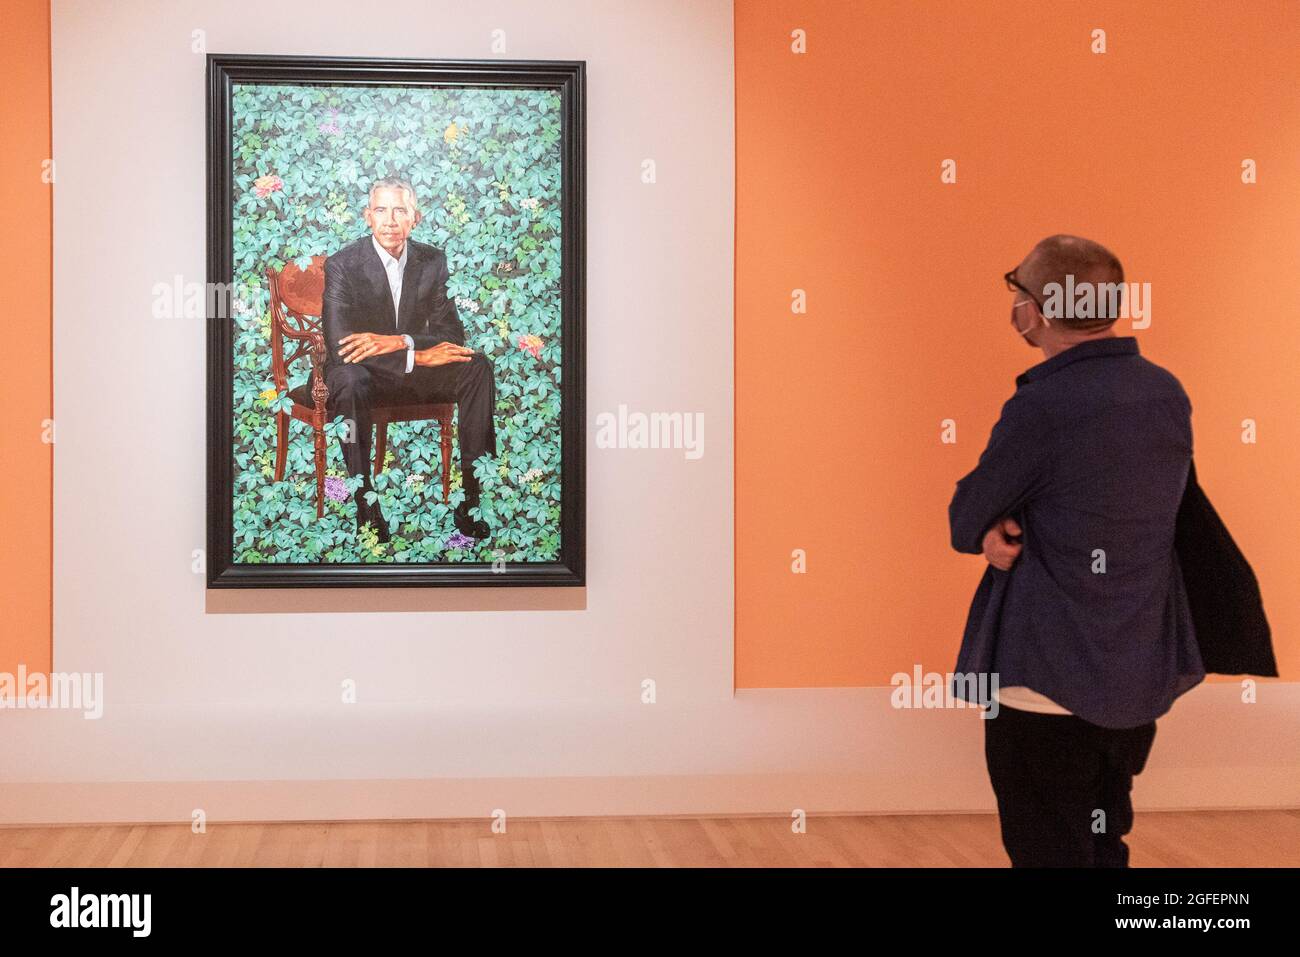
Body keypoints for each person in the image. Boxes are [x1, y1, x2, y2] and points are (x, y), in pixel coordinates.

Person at [947, 235, 1205, 867]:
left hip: (1046, 677)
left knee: (1045, 848)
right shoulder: (1165, 393)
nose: (1014, 305)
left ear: (1036, 309)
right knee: (1102, 839)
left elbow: (965, 515)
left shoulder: (1042, 405)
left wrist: (989, 528)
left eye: (1017, 290)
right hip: (1135, 673)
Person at [321, 176, 498, 542]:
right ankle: (365, 502)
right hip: (361, 376)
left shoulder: (432, 261)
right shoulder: (343, 265)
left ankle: (471, 498)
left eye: (400, 210)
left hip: (410, 370)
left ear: (415, 218)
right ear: (367, 217)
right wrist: (415, 357)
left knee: (476, 366)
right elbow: (342, 347)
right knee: (350, 378)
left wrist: (399, 342)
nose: (390, 220)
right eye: (381, 210)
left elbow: (452, 336)